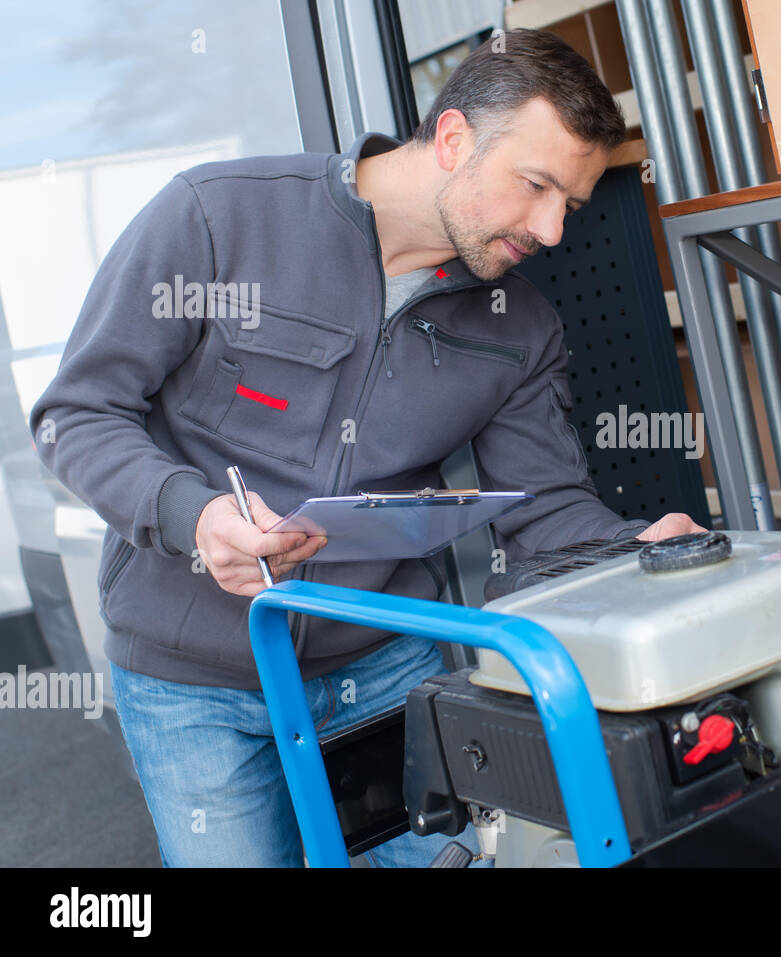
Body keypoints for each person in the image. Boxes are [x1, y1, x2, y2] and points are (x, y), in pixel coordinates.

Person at [30, 27, 706, 867]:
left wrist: (628, 550)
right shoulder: (218, 216)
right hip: (188, 685)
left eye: (568, 202)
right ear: (454, 139)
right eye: (535, 186)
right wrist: (197, 516)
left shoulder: (520, 325)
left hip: (381, 664)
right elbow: (76, 413)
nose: (554, 229)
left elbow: (543, 508)